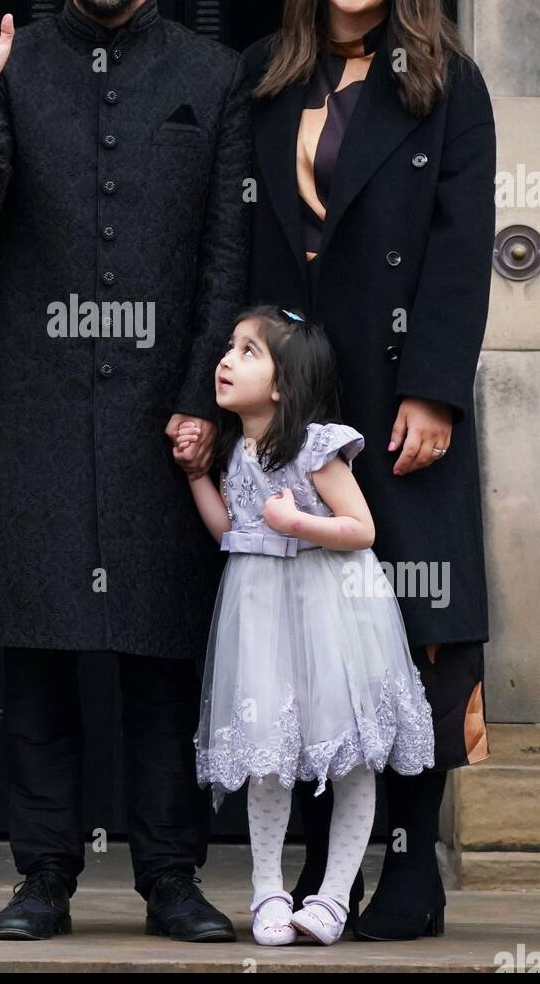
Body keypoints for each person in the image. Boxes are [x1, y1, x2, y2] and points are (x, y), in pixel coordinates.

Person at [0, 0, 250, 941]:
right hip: (32, 403)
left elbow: (224, 250)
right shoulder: (10, 71)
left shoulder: (211, 76)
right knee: (38, 658)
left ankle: (170, 876)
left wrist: (201, 389)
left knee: (162, 655)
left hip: (163, 414)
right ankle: (43, 879)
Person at [243, 0, 496, 938]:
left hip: (400, 398)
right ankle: (316, 862)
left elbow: (457, 246)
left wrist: (435, 388)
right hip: (298, 399)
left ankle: (405, 861)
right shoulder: (264, 74)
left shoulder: (445, 82)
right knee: (308, 627)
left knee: (412, 625)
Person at [177, 306, 435, 945]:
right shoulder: (238, 451)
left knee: (349, 756)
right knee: (267, 754)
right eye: (230, 347)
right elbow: (229, 533)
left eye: (248, 351)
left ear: (284, 385)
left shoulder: (317, 447)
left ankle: (330, 898)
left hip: (331, 608)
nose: (227, 360)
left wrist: (300, 525)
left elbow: (361, 528)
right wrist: (196, 479)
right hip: (261, 610)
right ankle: (267, 888)